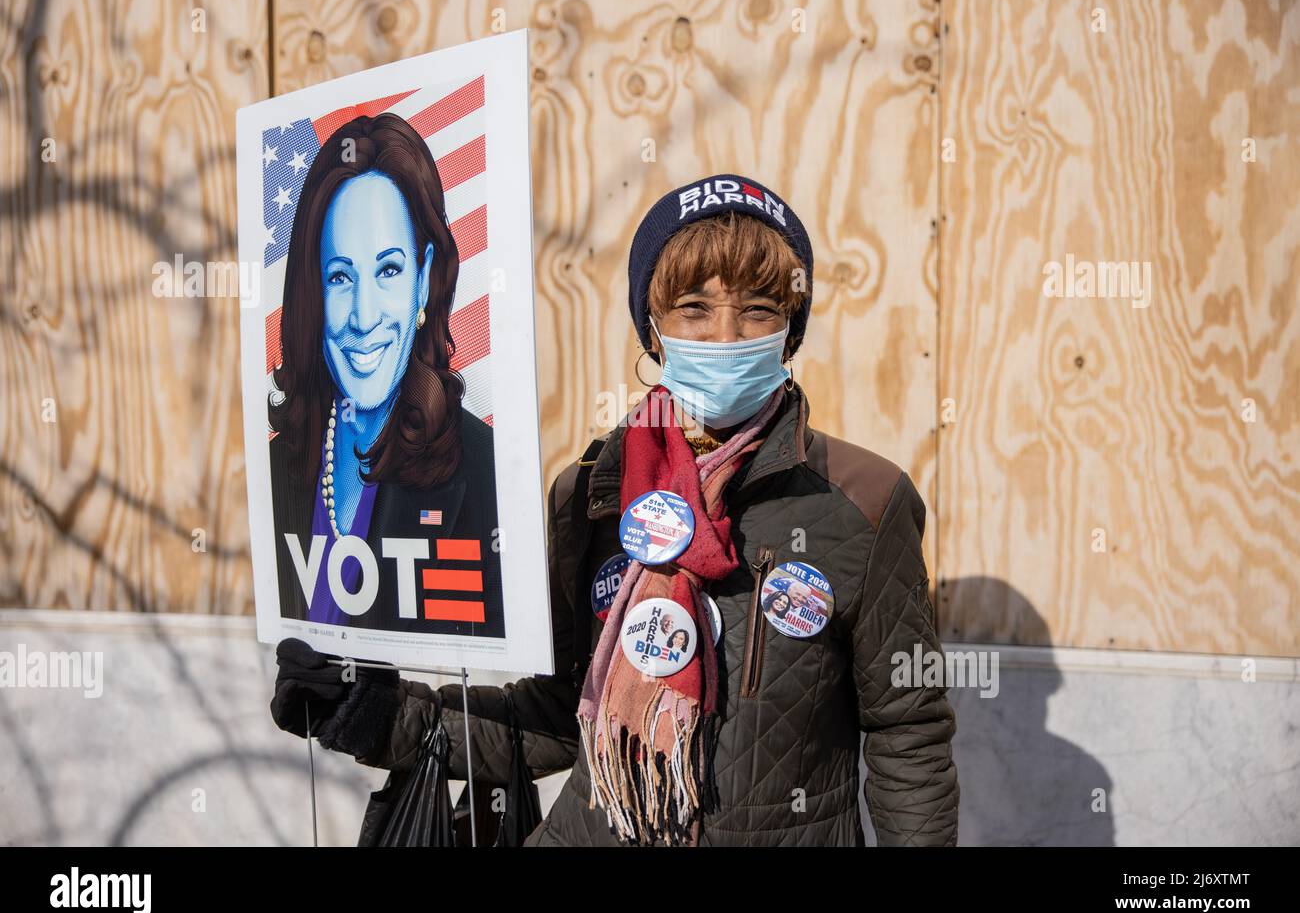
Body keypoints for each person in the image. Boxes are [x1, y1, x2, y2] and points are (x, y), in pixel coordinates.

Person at [271, 172, 960, 846]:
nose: (724, 335)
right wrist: (371, 712)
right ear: (653, 330)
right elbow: (551, 717)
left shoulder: (864, 501)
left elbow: (908, 732)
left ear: (790, 328)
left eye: (757, 308)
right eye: (693, 306)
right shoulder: (591, 496)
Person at [267, 113, 503, 637]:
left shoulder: (484, 470)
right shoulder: (276, 467)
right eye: (340, 276)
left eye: (389, 270)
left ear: (424, 279)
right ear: (313, 290)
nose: (364, 316)